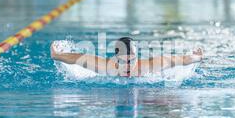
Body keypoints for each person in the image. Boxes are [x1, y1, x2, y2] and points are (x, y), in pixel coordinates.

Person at [51, 37, 204, 77]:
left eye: (132, 60)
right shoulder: (107, 67)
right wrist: (57, 55)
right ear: (115, 59)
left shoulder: (148, 67)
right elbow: (78, 58)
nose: (129, 65)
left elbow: (181, 60)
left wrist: (197, 57)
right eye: (124, 61)